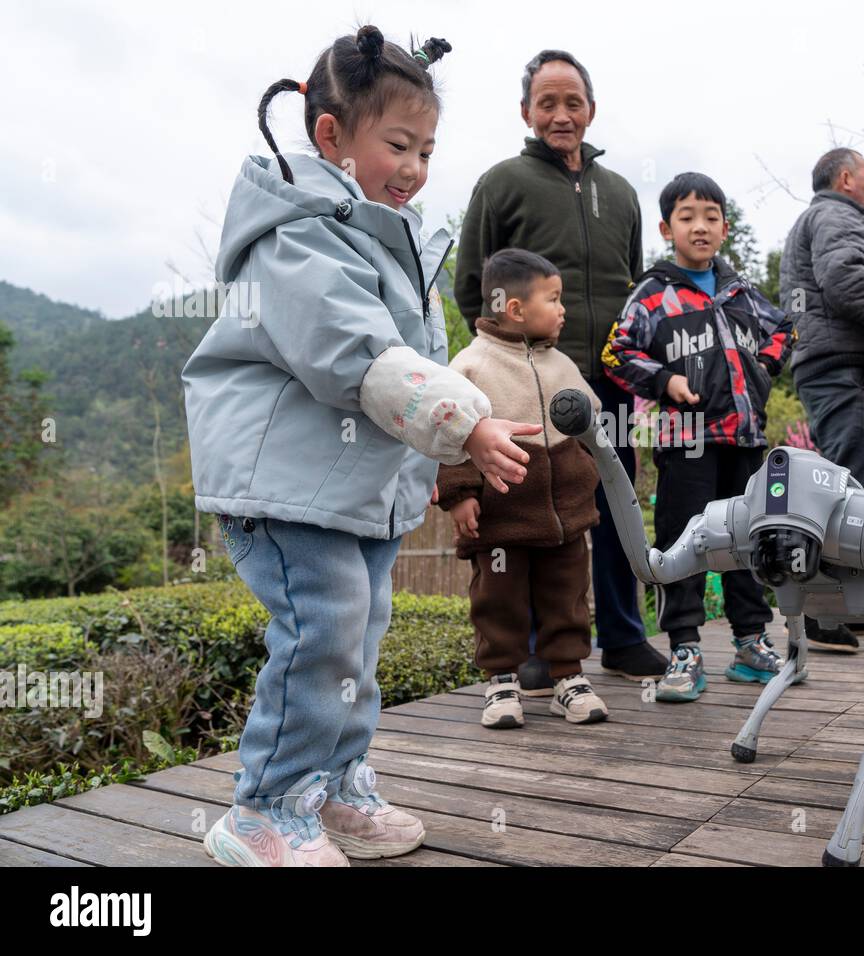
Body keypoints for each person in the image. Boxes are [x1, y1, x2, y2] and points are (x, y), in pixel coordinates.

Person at [182, 26, 542, 866]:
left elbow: (404, 366)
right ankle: (265, 807)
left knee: (359, 631)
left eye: (426, 148)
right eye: (398, 144)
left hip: (350, 490)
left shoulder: (385, 231)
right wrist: (468, 423)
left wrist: (437, 449)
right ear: (330, 135)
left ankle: (332, 784)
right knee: (323, 632)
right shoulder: (297, 235)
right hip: (285, 486)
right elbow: (358, 358)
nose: (416, 166)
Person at [455, 49, 664, 691]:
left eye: (573, 102)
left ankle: (625, 638)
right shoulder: (501, 183)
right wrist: (505, 361)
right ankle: (543, 652)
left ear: (591, 110)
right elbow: (472, 285)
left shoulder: (623, 192)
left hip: (610, 384)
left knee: (613, 506)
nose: (561, 114)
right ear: (526, 112)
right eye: (547, 102)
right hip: (528, 384)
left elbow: (633, 285)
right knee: (536, 512)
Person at [603, 173, 794, 701]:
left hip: (746, 439)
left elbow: (785, 329)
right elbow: (615, 352)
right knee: (683, 539)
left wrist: (765, 367)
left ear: (725, 227)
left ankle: (752, 642)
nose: (700, 226)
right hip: (685, 441)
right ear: (667, 227)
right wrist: (665, 380)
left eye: (711, 216)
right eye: (687, 217)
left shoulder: (741, 291)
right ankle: (684, 647)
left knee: (749, 537)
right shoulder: (652, 293)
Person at [437, 249, 611, 725]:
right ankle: (501, 682)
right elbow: (450, 436)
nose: (562, 310)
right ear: (514, 309)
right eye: (553, 299)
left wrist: (596, 476)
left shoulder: (562, 365)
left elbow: (592, 427)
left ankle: (568, 677)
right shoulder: (471, 365)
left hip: (566, 516)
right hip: (502, 516)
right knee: (498, 600)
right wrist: (460, 495)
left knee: (568, 595)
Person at [780, 147, 864, 652]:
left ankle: (843, 603)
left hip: (826, 359)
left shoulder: (811, 218)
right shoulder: (838, 214)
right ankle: (827, 607)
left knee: (839, 476)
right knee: (844, 481)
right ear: (845, 178)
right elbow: (844, 280)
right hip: (841, 361)